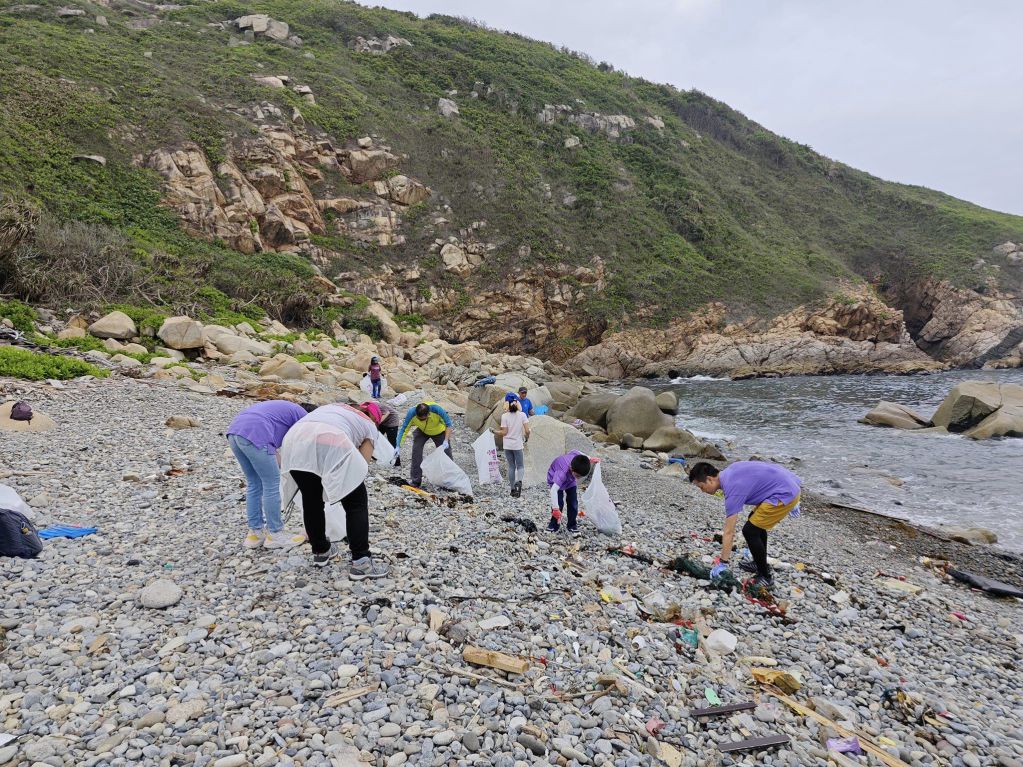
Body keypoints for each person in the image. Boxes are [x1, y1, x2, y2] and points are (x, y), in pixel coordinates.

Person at [279, 403, 389, 577]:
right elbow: (361, 465)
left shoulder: (337, 408)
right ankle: (361, 562)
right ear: (376, 419)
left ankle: (321, 551)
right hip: (332, 438)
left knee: (311, 499)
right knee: (356, 503)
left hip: (294, 439)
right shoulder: (369, 425)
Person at [688, 461, 801, 589]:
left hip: (784, 494)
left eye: (701, 487)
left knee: (750, 531)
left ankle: (765, 577)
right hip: (785, 487)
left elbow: (729, 531)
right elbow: (768, 467)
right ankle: (758, 563)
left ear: (709, 479)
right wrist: (793, 483)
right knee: (754, 522)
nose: (702, 491)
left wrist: (723, 563)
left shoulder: (732, 489)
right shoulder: (730, 471)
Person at [226, 400, 312, 550]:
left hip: (235, 432)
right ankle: (275, 534)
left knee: (254, 483)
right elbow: (305, 443)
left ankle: (255, 533)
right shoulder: (304, 416)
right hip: (256, 433)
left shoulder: (283, 410)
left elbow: (275, 454)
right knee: (271, 483)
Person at [397, 401, 453, 488]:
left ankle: (448, 481)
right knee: (416, 452)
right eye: (419, 419)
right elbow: (404, 429)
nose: (421, 420)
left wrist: (446, 440)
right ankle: (416, 481)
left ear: (428, 414)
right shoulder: (411, 413)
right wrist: (398, 445)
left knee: (447, 455)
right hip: (422, 431)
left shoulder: (437, 410)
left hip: (439, 432)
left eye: (423, 419)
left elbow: (448, 425)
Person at [546, 451, 596, 534]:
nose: (578, 478)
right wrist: (555, 508)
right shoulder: (562, 473)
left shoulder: (576, 459)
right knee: (559, 503)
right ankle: (553, 525)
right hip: (555, 478)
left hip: (570, 480)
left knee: (573, 503)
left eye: (580, 477)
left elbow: (575, 451)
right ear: (571, 468)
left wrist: (589, 458)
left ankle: (572, 525)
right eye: (577, 476)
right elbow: (553, 490)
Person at [492, 399, 530, 497]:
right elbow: (527, 431)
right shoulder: (522, 415)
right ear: (517, 404)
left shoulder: (504, 416)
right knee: (520, 466)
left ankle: (513, 489)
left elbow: (504, 432)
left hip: (507, 445)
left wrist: (495, 432)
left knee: (511, 466)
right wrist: (527, 437)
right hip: (517, 444)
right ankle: (519, 482)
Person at [361, 400, 402, 467]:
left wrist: (376, 422)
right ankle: (377, 456)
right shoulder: (368, 409)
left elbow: (387, 413)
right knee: (375, 439)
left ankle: (397, 463)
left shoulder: (377, 406)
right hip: (383, 423)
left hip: (392, 422)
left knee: (392, 443)